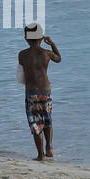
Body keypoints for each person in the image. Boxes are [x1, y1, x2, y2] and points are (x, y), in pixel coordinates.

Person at [18, 23, 60, 160]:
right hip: (45, 91)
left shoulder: (22, 55)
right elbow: (59, 59)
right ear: (41, 38)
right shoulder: (46, 53)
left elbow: (21, 75)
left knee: (35, 124)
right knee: (47, 120)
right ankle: (49, 147)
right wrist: (52, 43)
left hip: (31, 93)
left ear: (26, 38)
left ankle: (40, 154)